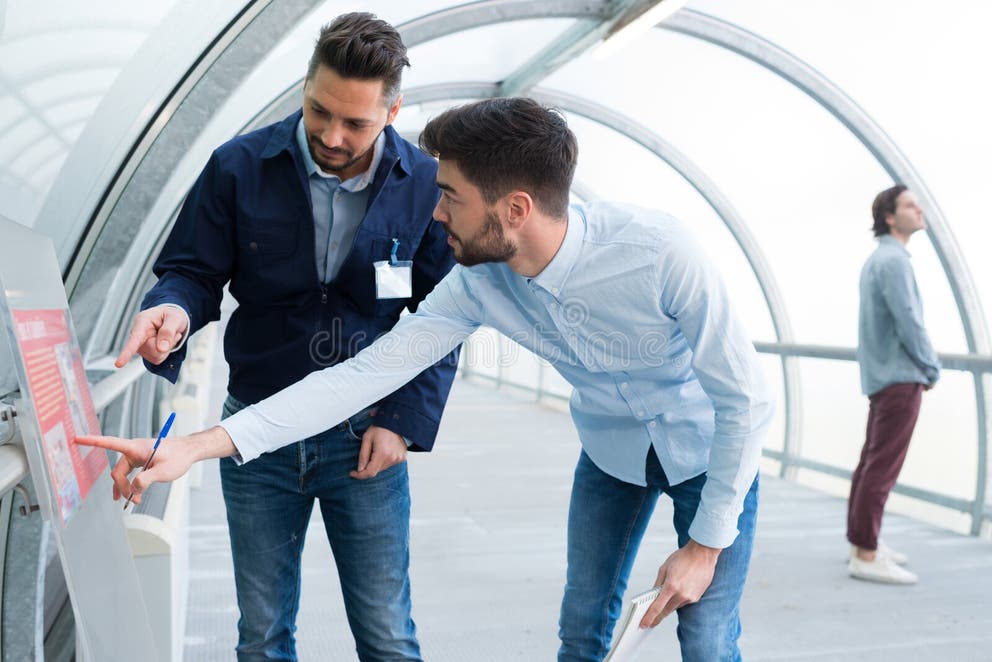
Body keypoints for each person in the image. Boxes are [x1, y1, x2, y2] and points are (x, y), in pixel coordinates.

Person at [82, 98, 774, 662]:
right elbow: (357, 379)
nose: (433, 212)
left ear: (515, 210)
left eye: (449, 196)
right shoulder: (476, 283)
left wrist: (704, 546)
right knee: (582, 632)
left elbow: (746, 398)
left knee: (707, 638)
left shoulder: (658, 252)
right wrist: (197, 445)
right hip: (611, 455)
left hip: (712, 451)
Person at [110, 13, 459, 661]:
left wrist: (402, 420)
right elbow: (191, 272)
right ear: (305, 86)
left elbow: (449, 314)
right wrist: (173, 314)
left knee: (387, 631)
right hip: (255, 436)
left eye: (354, 123)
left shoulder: (427, 188)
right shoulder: (237, 167)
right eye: (317, 110)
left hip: (365, 438)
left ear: (392, 110)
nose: (330, 134)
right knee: (263, 634)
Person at [847, 185, 940, 585]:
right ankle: (866, 554)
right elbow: (909, 321)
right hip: (901, 378)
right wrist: (931, 367)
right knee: (882, 467)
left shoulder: (877, 259)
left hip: (882, 378)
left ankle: (863, 542)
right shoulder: (894, 262)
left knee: (871, 462)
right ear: (889, 216)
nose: (919, 209)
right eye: (909, 205)